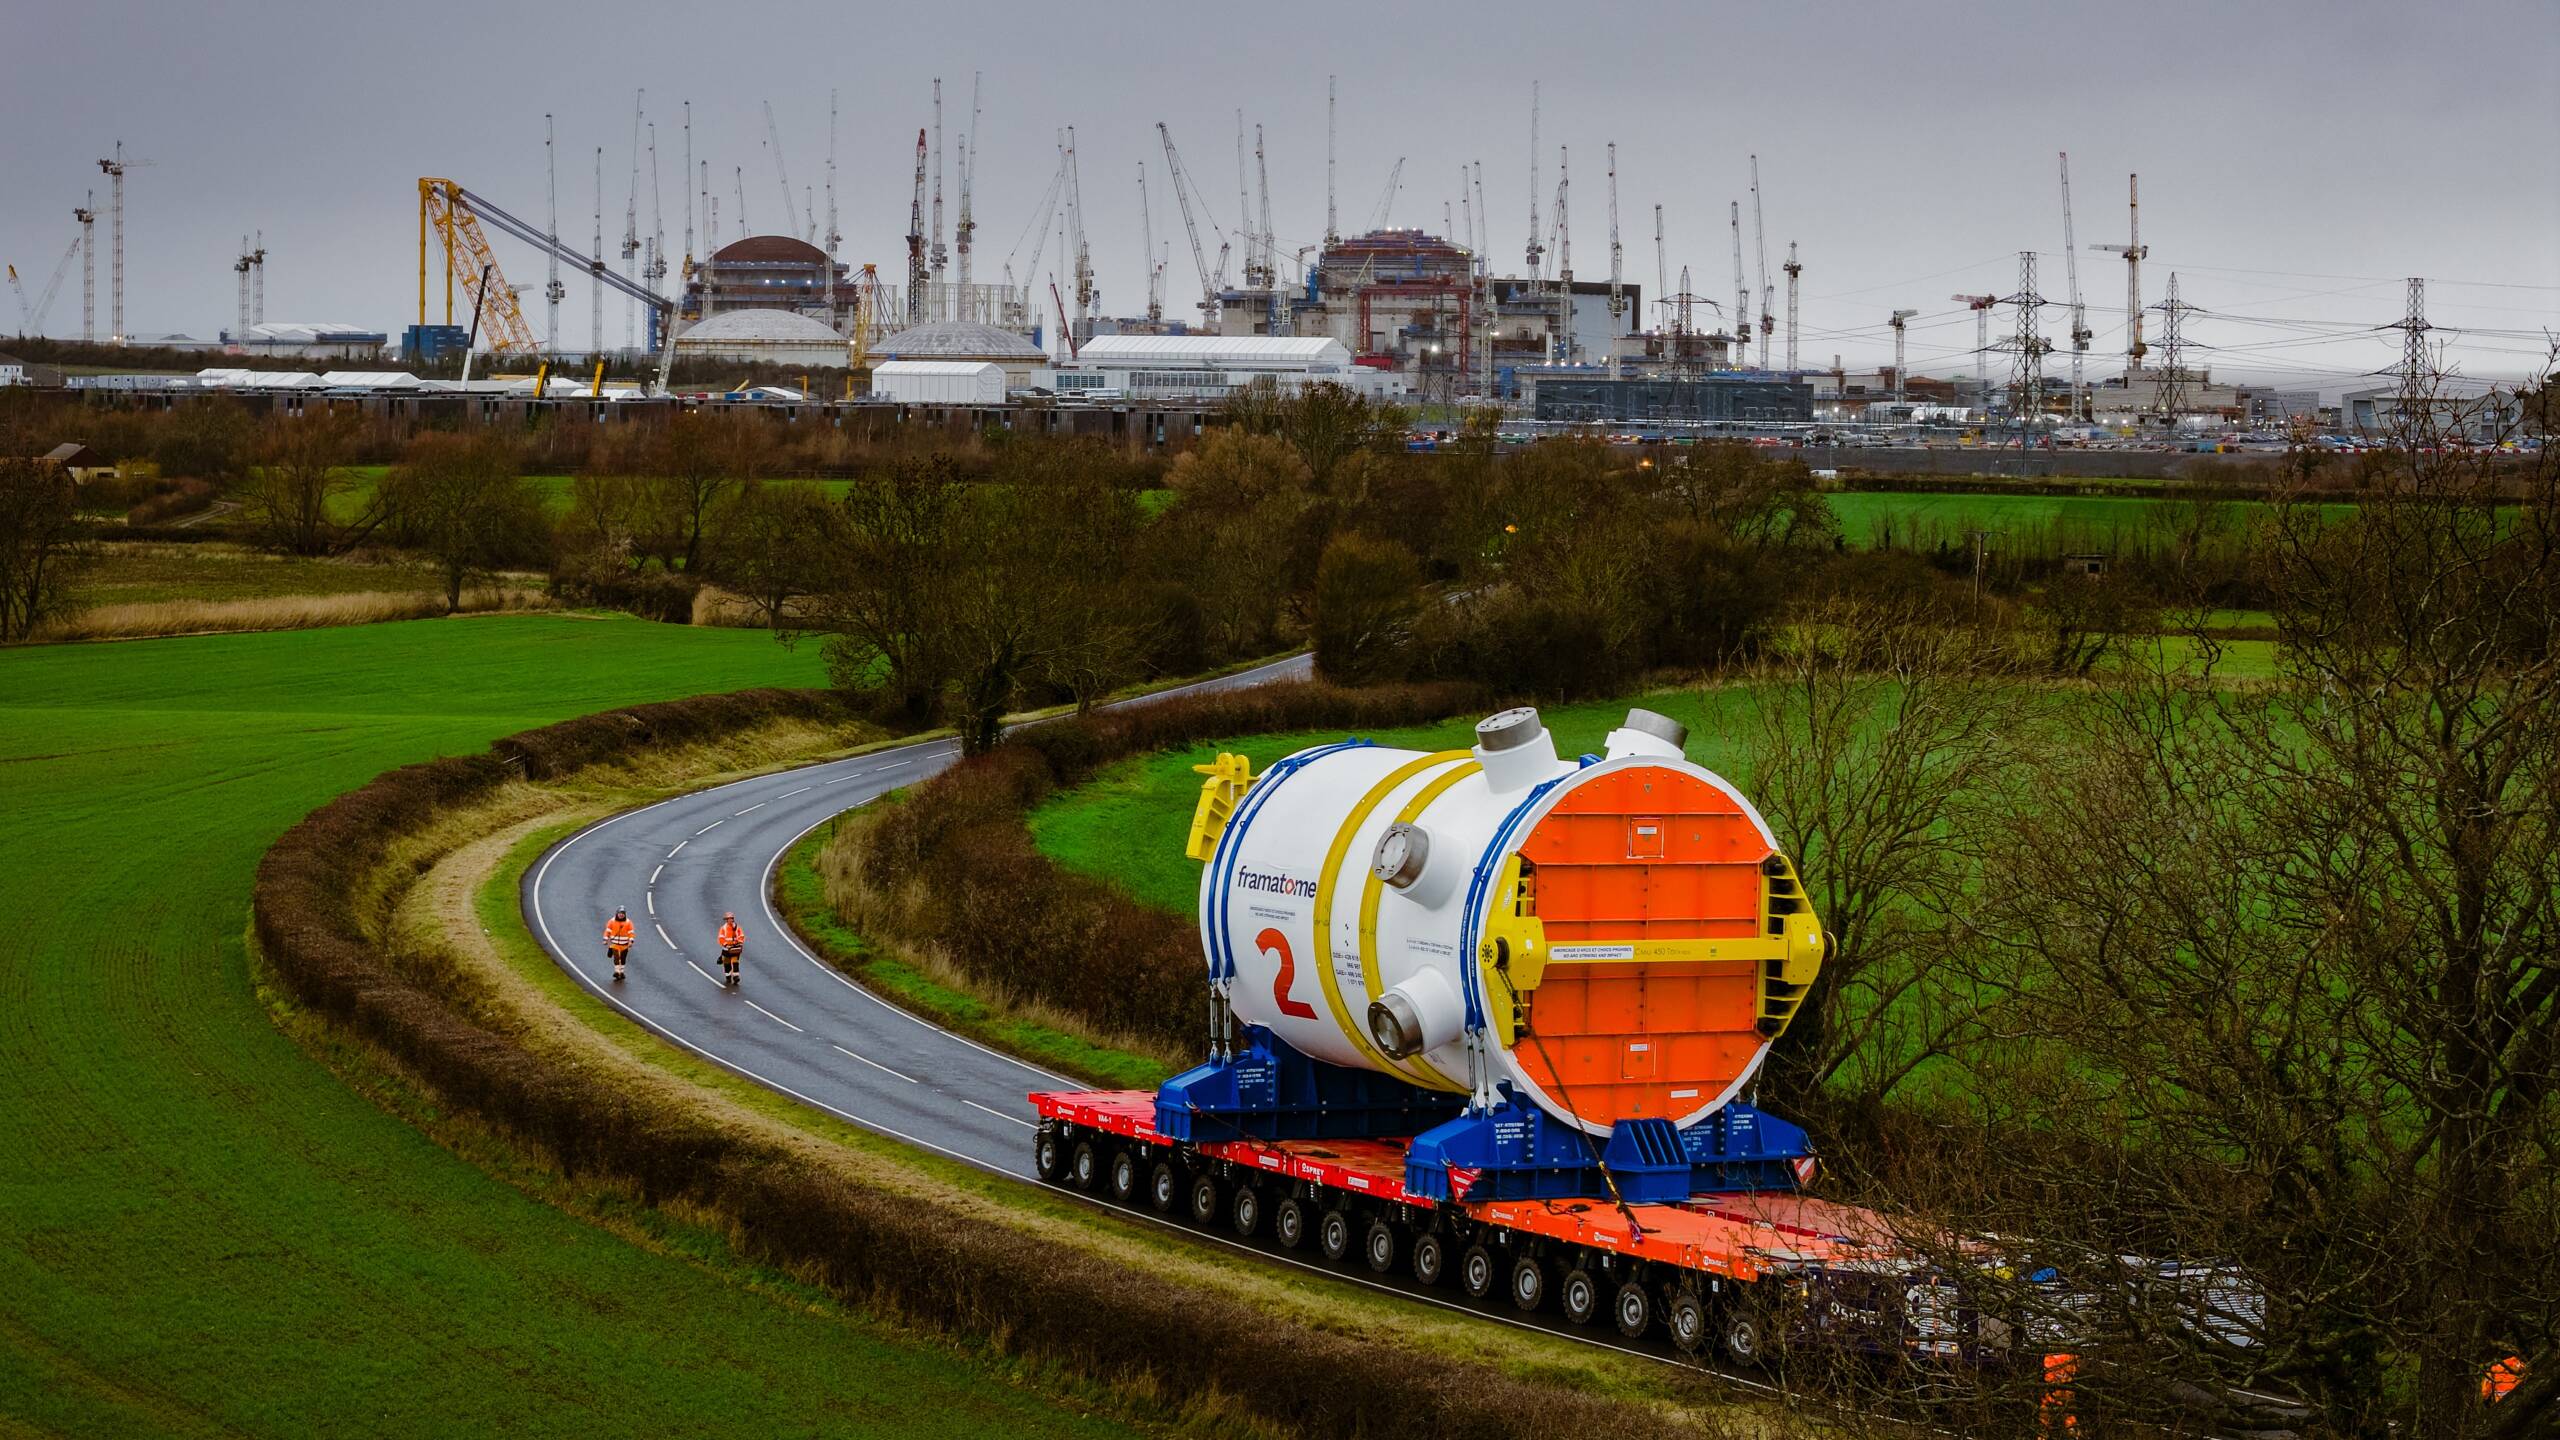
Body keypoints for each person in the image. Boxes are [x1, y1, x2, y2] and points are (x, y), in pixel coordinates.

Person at [603, 907, 636, 982]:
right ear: (617, 913)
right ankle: (617, 972)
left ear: (625, 915)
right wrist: (605, 939)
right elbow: (607, 931)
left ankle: (621, 972)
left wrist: (631, 941)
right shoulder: (611, 921)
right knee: (617, 957)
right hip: (615, 944)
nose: (621, 915)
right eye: (620, 914)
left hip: (624, 944)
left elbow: (631, 933)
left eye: (622, 914)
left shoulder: (628, 922)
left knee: (623, 958)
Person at [716, 912, 744, 987]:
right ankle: (728, 977)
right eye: (729, 919)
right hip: (726, 949)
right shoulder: (723, 928)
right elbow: (721, 938)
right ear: (726, 920)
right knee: (727, 963)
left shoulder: (737, 927)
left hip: (735, 948)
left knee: (735, 962)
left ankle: (736, 977)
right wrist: (726, 944)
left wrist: (740, 943)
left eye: (732, 918)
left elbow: (741, 935)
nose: (731, 920)